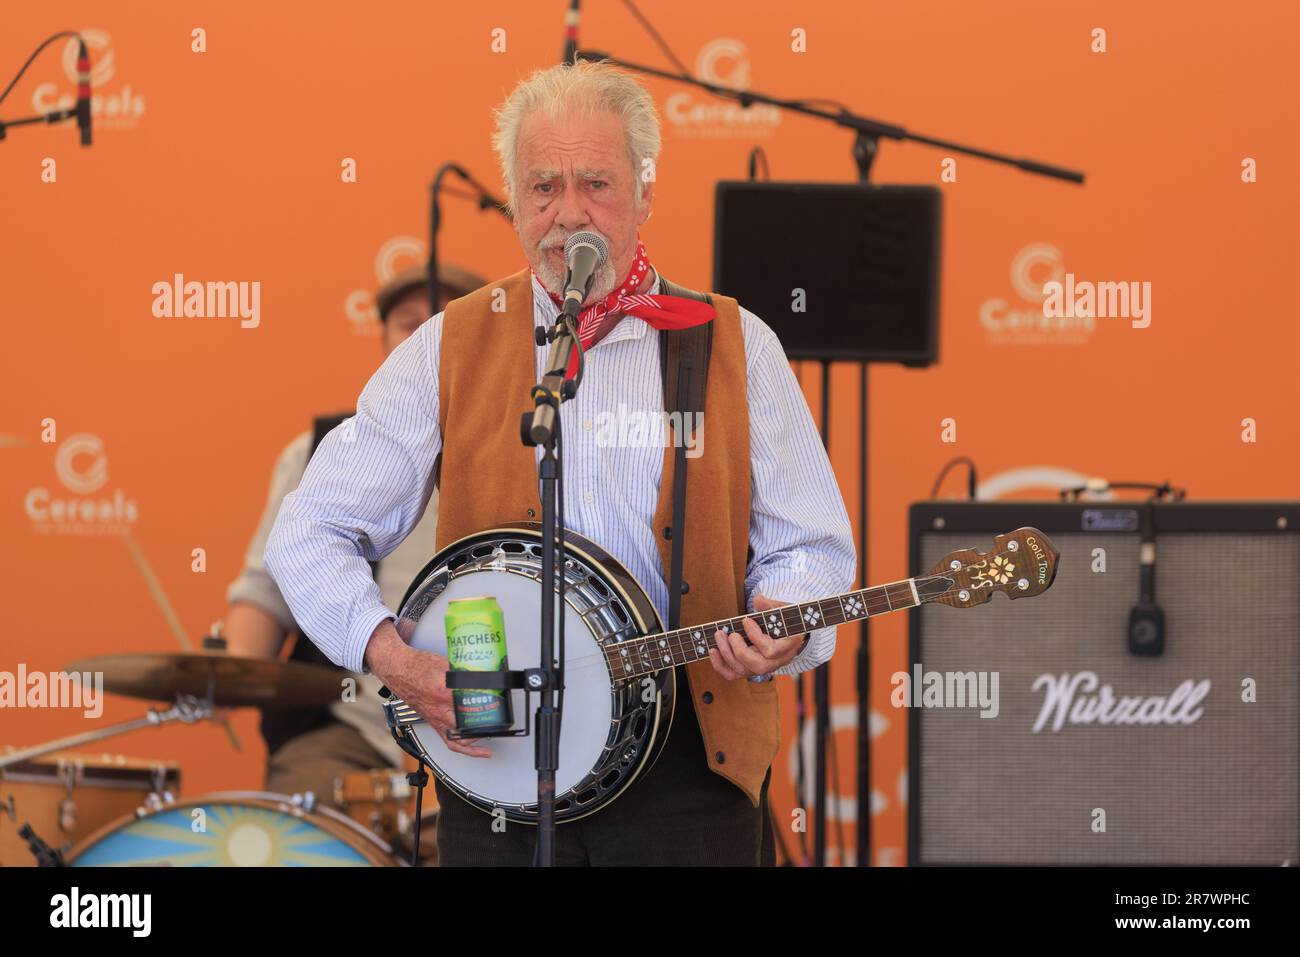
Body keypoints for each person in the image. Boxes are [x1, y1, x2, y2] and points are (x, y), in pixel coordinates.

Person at [265, 60, 855, 865]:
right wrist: (392, 656)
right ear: (513, 199)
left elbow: (814, 547)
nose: (568, 215)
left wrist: (782, 618)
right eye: (543, 186)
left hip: (687, 777)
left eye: (596, 185)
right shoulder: (453, 344)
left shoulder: (735, 344)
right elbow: (310, 528)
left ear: (646, 194)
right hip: (496, 769)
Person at [224, 262, 485, 804]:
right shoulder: (321, 451)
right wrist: (225, 677)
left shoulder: (525, 447)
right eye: (406, 325)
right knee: (300, 822)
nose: (421, 338)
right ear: (384, 342)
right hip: (354, 727)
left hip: (490, 725)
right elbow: (266, 590)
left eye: (438, 323)